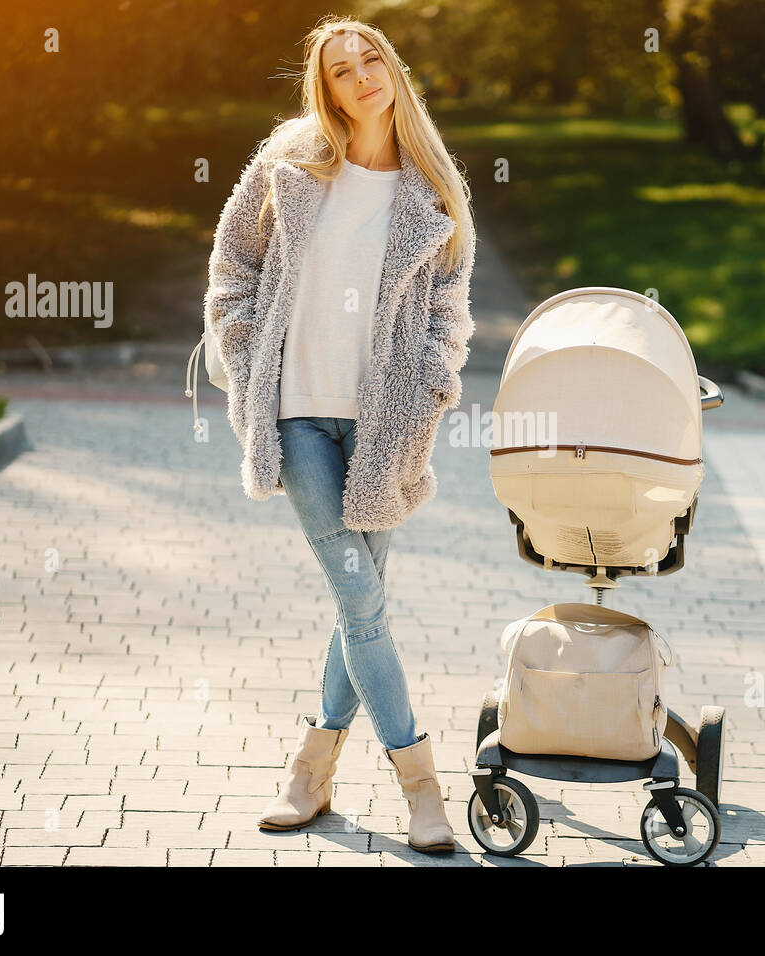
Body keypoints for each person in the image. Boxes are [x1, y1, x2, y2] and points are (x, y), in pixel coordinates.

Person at [202, 15, 477, 854]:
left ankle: (311, 769)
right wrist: (246, 358)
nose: (361, 75)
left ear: (391, 70)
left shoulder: (433, 191)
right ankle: (421, 785)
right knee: (360, 595)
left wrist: (433, 384)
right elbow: (230, 268)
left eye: (371, 59)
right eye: (341, 68)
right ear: (324, 88)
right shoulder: (289, 164)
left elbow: (449, 314)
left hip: (384, 425)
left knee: (358, 605)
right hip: (295, 414)